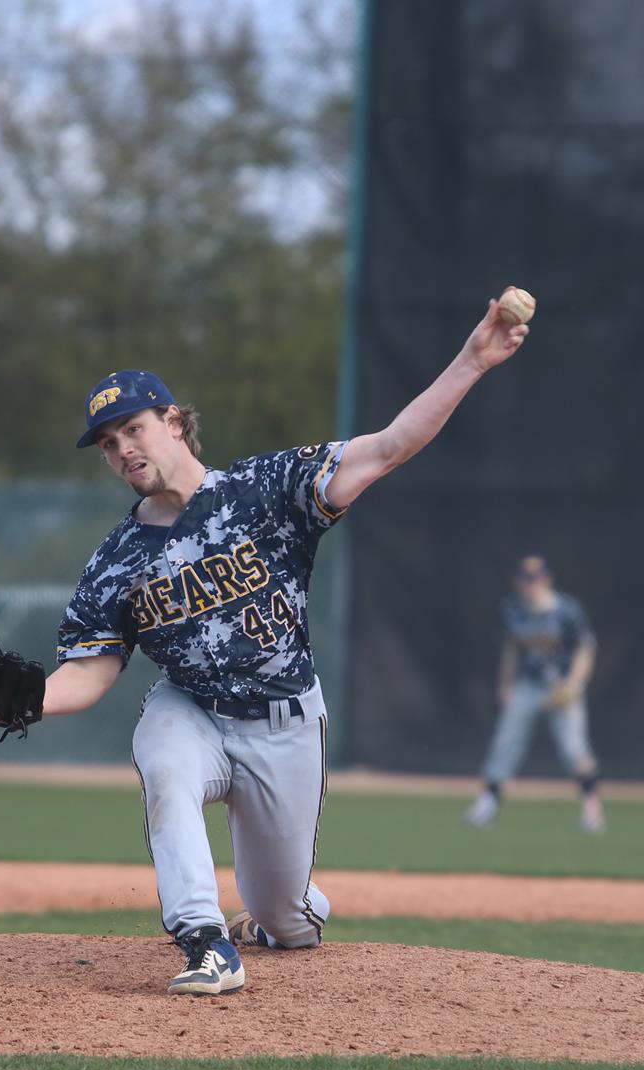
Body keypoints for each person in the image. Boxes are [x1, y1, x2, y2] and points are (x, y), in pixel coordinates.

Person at [33, 297, 530, 995]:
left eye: (132, 429)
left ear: (174, 423)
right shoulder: (116, 558)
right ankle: (205, 941)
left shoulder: (266, 490)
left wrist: (473, 360)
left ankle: (287, 909)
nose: (123, 450)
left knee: (286, 921)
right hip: (192, 708)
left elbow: (388, 446)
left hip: (284, 724)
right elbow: (88, 673)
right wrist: (25, 698)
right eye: (109, 443)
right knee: (164, 762)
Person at [465, 554, 606, 833]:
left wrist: (575, 685)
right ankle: (487, 805)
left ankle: (592, 808)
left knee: (574, 749)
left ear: (547, 579)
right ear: (518, 582)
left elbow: (585, 649)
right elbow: (511, 649)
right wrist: (504, 685)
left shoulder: (567, 610)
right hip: (528, 685)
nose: (531, 585)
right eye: (527, 579)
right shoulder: (512, 609)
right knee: (505, 745)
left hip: (561, 686)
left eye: (537, 579)